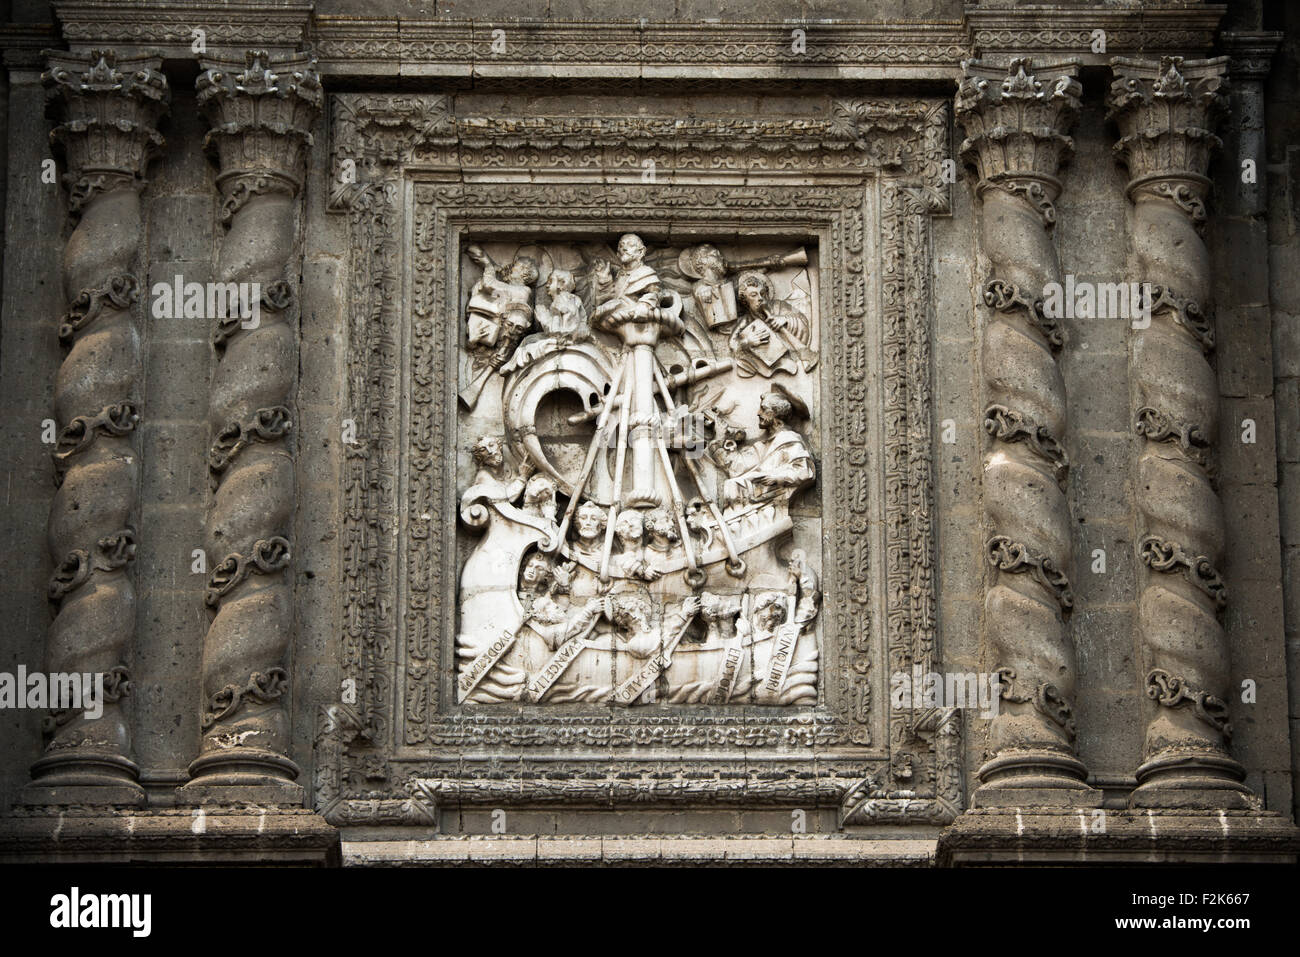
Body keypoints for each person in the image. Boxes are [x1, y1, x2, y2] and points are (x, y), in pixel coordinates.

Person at [721, 385, 815, 509]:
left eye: (763, 409)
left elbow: (804, 471)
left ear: (775, 413)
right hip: (752, 501)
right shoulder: (762, 445)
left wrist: (777, 478)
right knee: (731, 484)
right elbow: (737, 469)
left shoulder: (788, 439)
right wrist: (723, 439)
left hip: (770, 502)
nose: (758, 413)